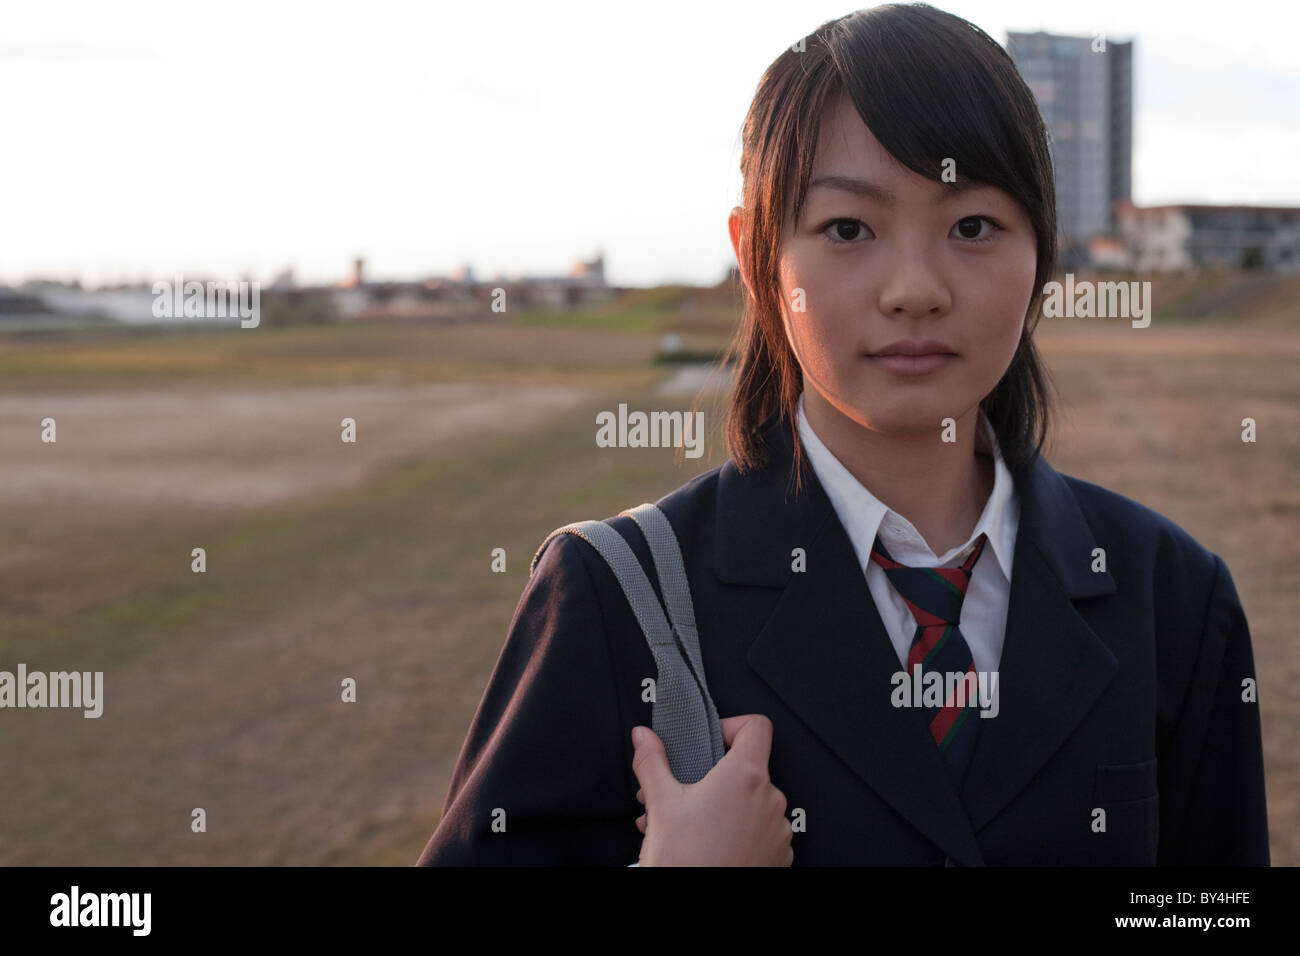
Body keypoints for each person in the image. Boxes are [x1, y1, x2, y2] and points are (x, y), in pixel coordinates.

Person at [416, 3, 1269, 866]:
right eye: (848, 229)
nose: (914, 289)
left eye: (972, 226)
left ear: (1042, 254)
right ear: (758, 260)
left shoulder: (1173, 597)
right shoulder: (614, 602)